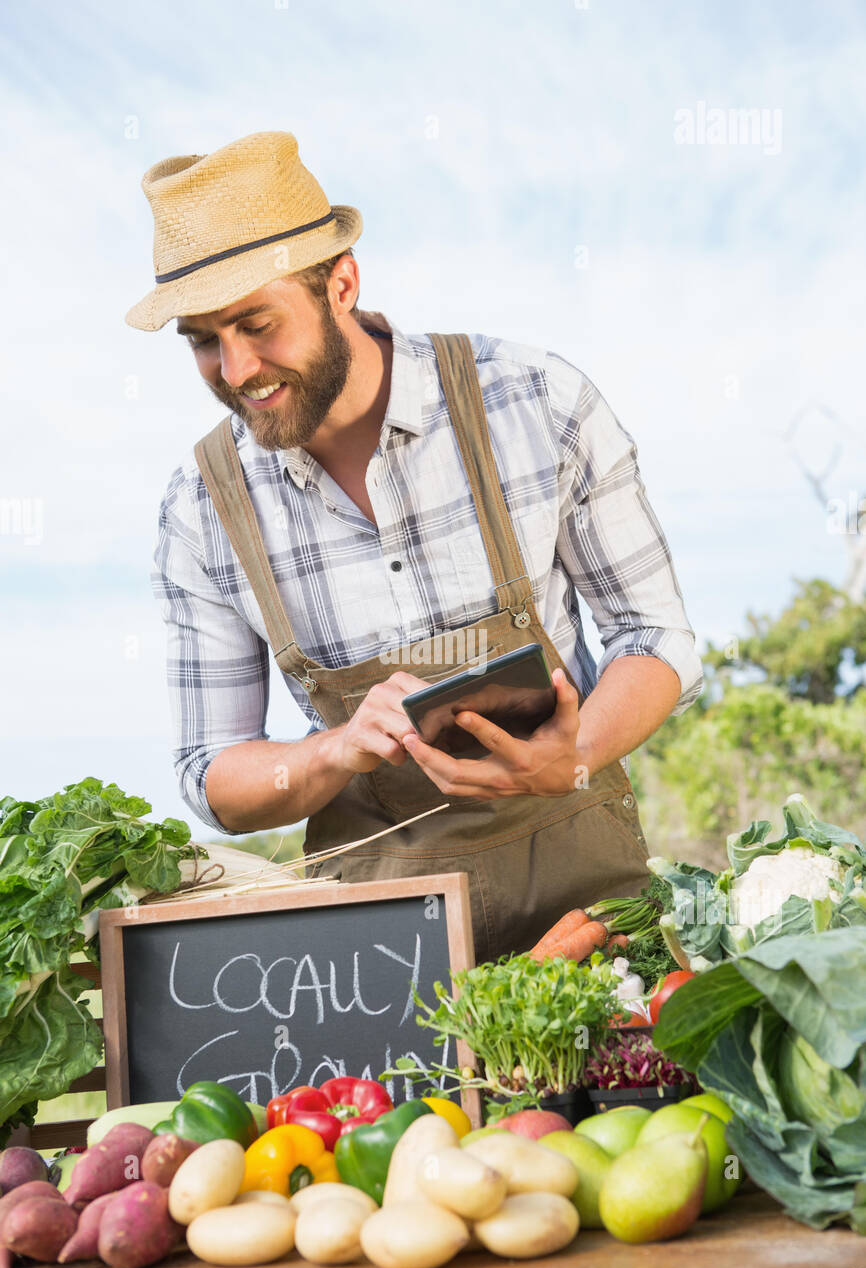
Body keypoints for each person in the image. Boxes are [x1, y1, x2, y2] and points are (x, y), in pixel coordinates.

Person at [128, 130, 703, 962]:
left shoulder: (539, 404)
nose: (237, 366)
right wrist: (333, 749)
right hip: (380, 963)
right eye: (202, 341)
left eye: (257, 323)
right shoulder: (200, 510)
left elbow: (657, 639)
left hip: (594, 917)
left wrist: (573, 752)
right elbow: (210, 772)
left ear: (343, 283)